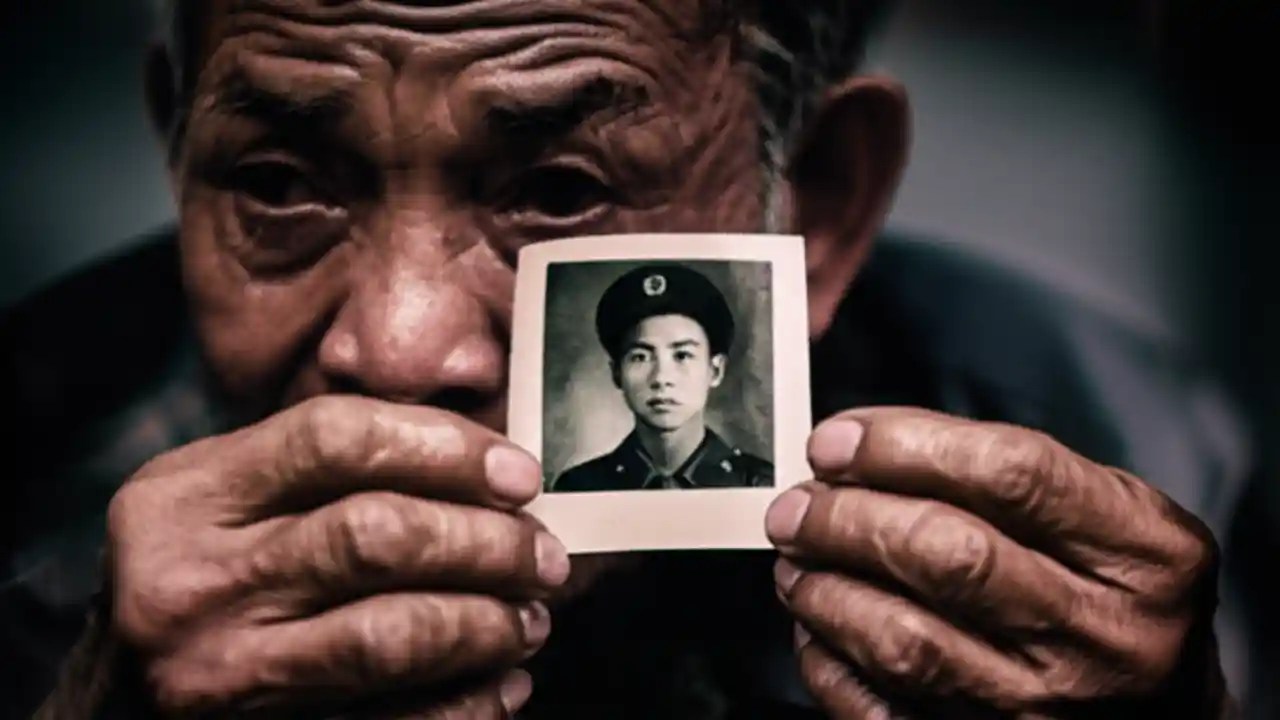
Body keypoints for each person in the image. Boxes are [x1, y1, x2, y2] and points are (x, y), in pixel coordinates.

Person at [0, 0, 1262, 718]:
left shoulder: (1135, 454)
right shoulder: (15, 485)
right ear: (177, 149)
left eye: (555, 191)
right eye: (278, 185)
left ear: (813, 203)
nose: (397, 348)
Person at [552, 263, 773, 493]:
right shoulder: (581, 486)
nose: (661, 378)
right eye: (640, 357)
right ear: (616, 373)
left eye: (682, 355)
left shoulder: (757, 483)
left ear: (715, 371)